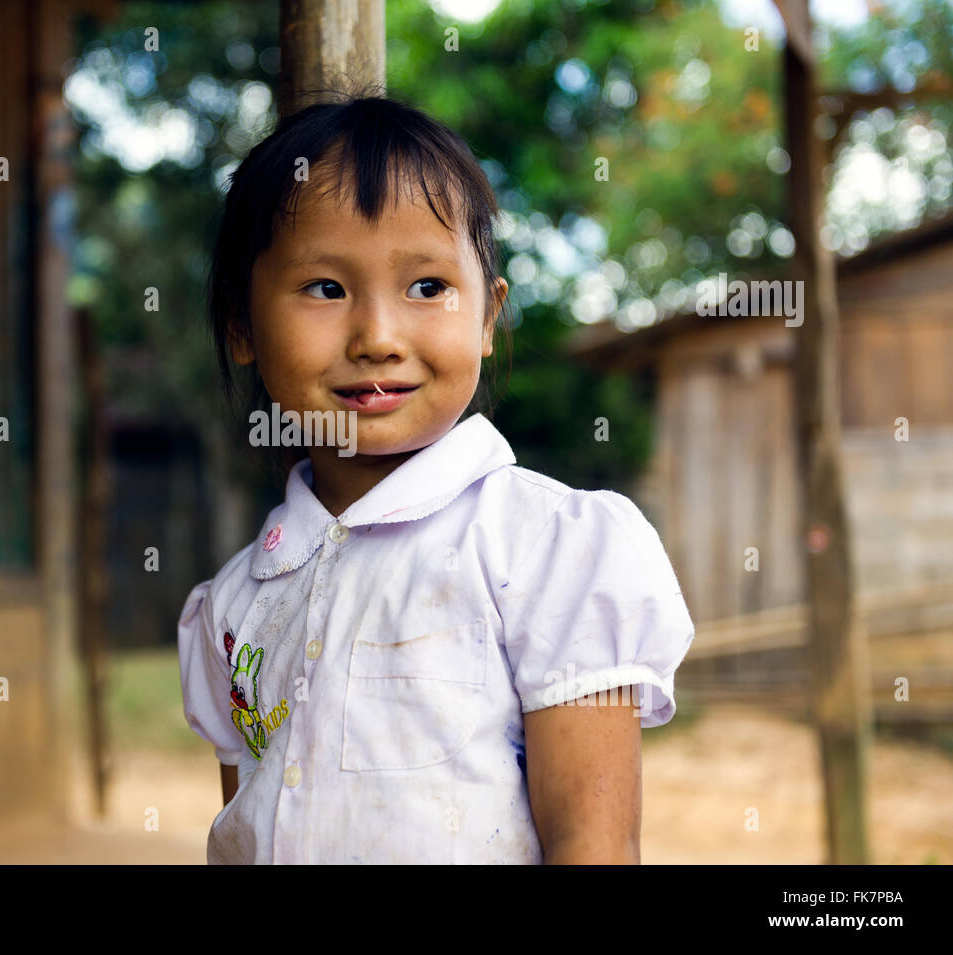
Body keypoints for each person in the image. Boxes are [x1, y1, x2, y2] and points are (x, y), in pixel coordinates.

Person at [177, 92, 695, 864]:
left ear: (488, 318)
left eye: (427, 287)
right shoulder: (234, 605)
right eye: (326, 288)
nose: (378, 337)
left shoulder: (548, 549)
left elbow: (596, 842)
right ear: (242, 328)